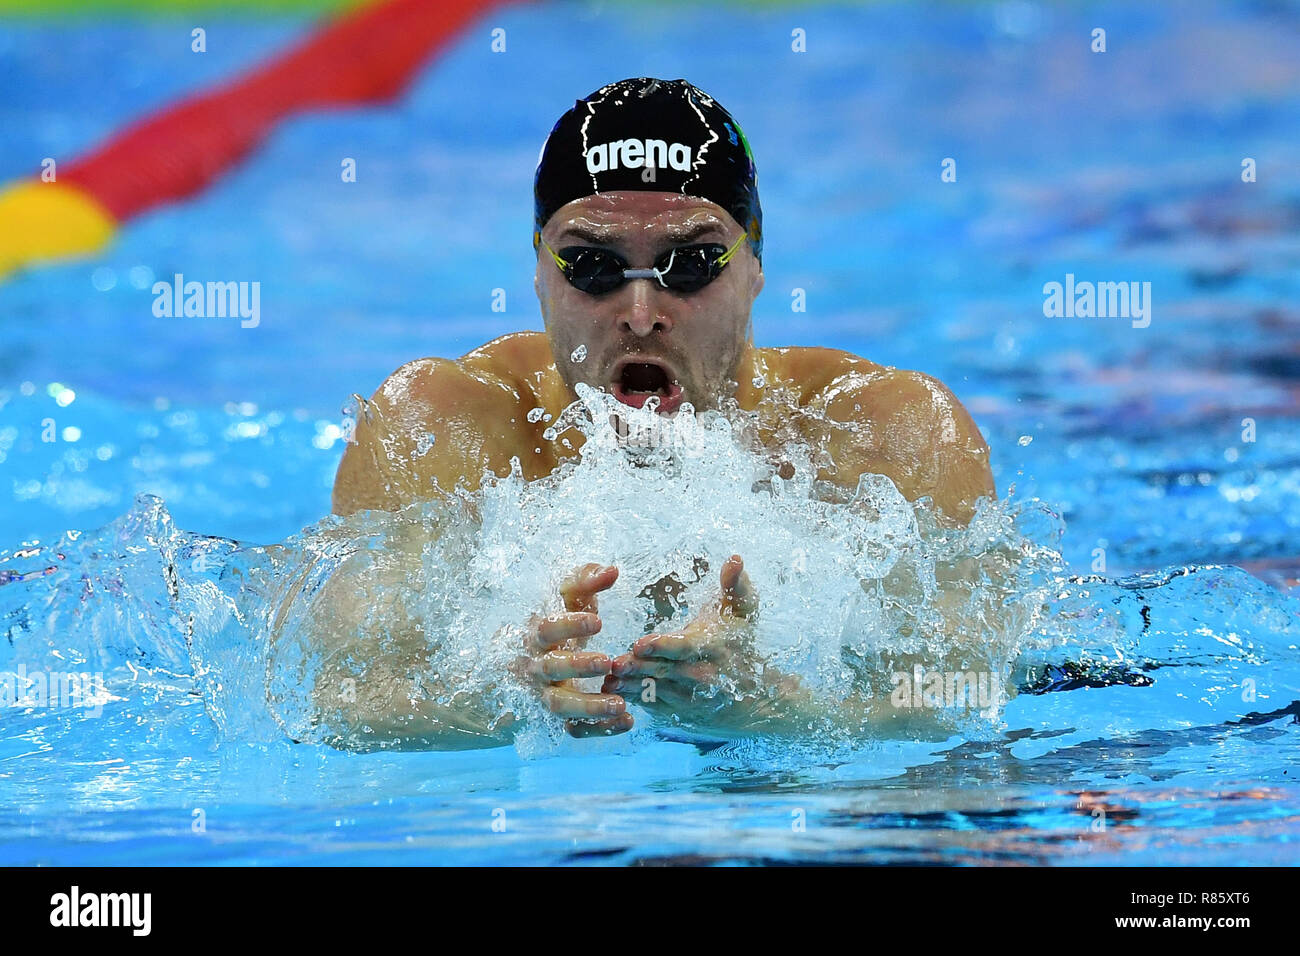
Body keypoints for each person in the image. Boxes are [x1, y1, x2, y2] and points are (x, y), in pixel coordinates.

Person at [323, 77, 995, 746]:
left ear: (755, 266)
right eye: (591, 266)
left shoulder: (884, 433)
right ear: (537, 271)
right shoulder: (438, 427)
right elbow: (340, 702)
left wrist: (778, 712)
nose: (641, 317)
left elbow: (975, 693)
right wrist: (497, 696)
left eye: (693, 263)